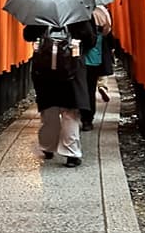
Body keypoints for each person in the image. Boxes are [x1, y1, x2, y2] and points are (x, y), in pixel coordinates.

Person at [22, 17, 97, 167]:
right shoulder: (79, 13)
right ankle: (71, 153)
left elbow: (28, 35)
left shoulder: (41, 12)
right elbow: (90, 40)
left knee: (49, 108)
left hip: (44, 69)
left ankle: (48, 146)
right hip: (72, 68)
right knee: (70, 111)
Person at [81, 3, 113, 131]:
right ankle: (87, 119)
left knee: (77, 86)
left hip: (74, 56)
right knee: (90, 88)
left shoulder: (72, 10)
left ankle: (77, 114)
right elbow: (107, 30)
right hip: (93, 53)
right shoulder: (101, 11)